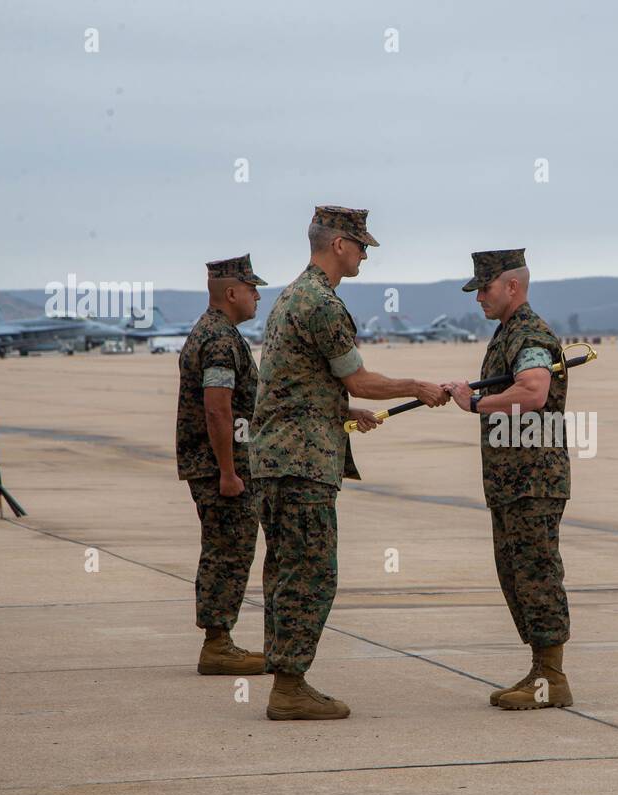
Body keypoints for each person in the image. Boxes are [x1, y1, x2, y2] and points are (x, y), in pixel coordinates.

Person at [251, 205, 449, 720]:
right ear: (338, 243)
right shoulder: (322, 304)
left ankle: (285, 678)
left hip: (276, 460)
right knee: (311, 573)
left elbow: (300, 382)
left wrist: (344, 410)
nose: (365, 254)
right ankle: (290, 687)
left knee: (284, 571)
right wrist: (417, 386)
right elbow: (358, 377)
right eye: (361, 245)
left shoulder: (291, 297)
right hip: (302, 466)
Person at [443, 249, 573, 710]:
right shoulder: (508, 334)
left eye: (485, 287)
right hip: (512, 482)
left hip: (532, 481)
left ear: (512, 287)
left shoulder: (529, 334)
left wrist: (475, 404)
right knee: (517, 574)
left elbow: (534, 391)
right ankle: (542, 670)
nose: (479, 297)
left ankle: (552, 678)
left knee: (536, 574)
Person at [175, 253, 267, 676]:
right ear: (231, 293)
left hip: (216, 465)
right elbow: (218, 410)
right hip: (219, 470)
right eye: (252, 289)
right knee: (227, 552)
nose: (257, 297)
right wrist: (228, 472)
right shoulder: (219, 339)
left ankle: (220, 639)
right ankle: (217, 644)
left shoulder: (218, 333)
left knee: (228, 550)